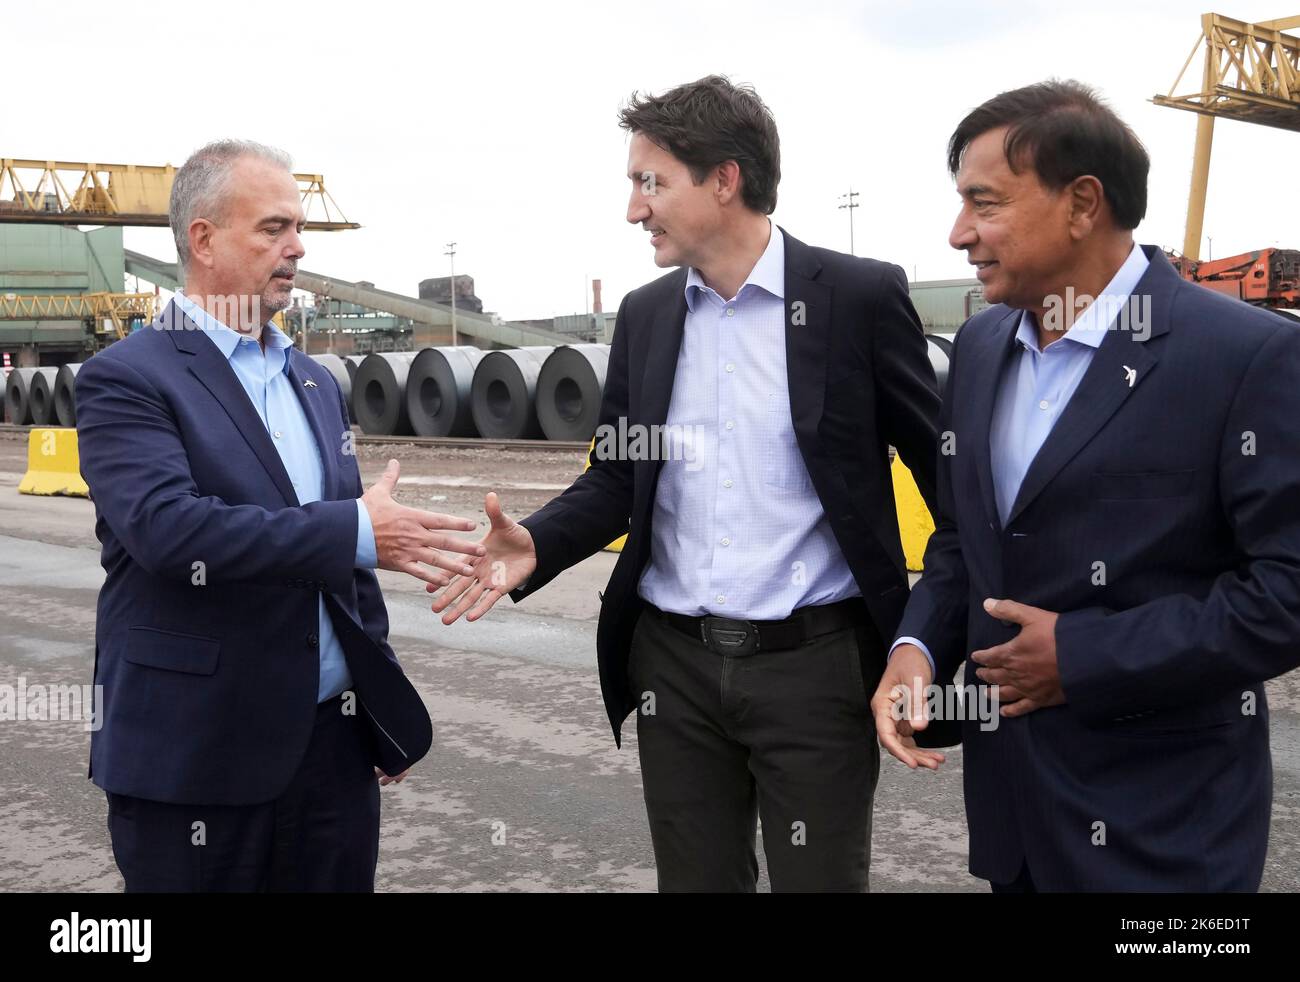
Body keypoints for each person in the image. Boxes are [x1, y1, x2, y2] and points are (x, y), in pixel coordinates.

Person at [433, 76, 940, 892]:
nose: (636, 209)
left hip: (816, 672)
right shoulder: (648, 314)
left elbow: (945, 484)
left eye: (651, 182)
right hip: (676, 672)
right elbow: (620, 473)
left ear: (725, 179)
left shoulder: (856, 298)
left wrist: (926, 642)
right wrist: (539, 539)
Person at [872, 80, 1300, 892]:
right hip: (1015, 823)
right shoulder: (980, 346)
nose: (959, 233)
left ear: (1082, 203)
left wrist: (1083, 655)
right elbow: (965, 538)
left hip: (1165, 834)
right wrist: (917, 648)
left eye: (984, 203)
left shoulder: (1247, 357)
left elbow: (1288, 591)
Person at [75, 139, 484, 892]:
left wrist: (374, 705)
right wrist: (359, 531)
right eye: (272, 228)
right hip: (197, 759)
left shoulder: (314, 382)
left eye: (298, 228)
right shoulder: (127, 379)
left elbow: (349, 564)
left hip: (330, 753)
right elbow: (171, 531)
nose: (296, 247)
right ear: (203, 239)